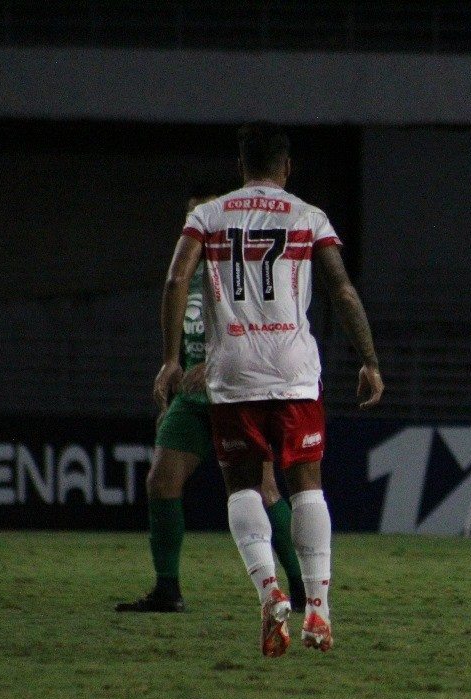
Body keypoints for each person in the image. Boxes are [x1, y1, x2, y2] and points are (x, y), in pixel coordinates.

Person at [155, 122, 383, 657]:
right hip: (294, 368)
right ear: (286, 166)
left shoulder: (207, 216)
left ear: (240, 166)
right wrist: (369, 360)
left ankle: (269, 591)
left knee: (242, 486)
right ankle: (320, 613)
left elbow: (174, 281)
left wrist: (170, 358)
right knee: (307, 487)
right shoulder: (308, 216)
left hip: (232, 368)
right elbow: (344, 293)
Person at [117, 189, 307, 615]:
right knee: (161, 483)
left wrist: (218, 363)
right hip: (192, 399)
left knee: (264, 489)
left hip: (235, 394)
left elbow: (262, 330)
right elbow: (186, 336)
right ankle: (168, 589)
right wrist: (174, 371)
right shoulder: (186, 278)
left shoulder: (241, 273)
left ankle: (299, 584)